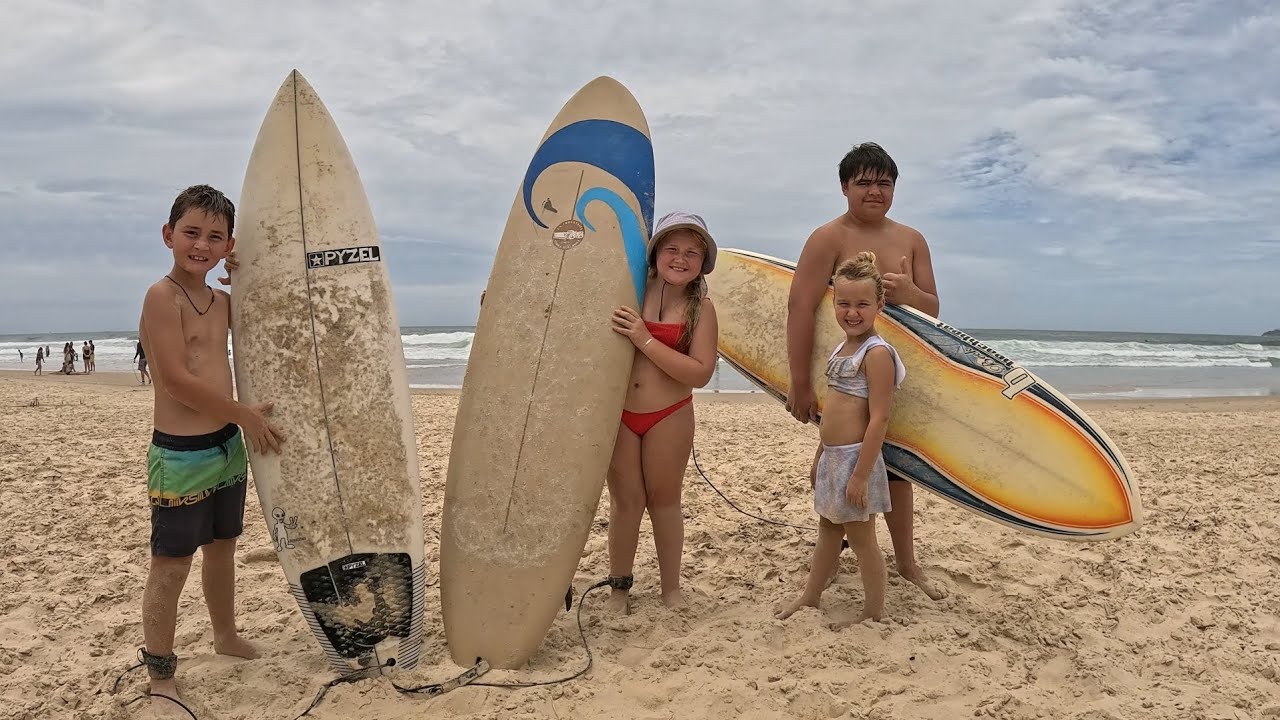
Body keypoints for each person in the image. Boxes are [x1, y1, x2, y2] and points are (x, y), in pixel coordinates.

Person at [136, 184, 285, 713]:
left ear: (227, 245)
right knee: (171, 564)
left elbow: (270, 322)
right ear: (168, 235)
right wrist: (243, 414)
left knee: (223, 551)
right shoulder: (163, 297)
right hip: (180, 454)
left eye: (215, 237)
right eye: (192, 233)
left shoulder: (222, 300)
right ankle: (160, 672)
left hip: (225, 447)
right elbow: (175, 380)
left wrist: (247, 271)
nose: (201, 244)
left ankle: (226, 636)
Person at [785, 142, 945, 600]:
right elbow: (799, 306)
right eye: (864, 182)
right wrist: (799, 382)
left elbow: (934, 311)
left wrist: (910, 291)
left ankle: (907, 562)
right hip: (844, 376)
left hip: (897, 372)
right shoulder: (827, 238)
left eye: (884, 183)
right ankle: (833, 561)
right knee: (840, 461)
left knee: (898, 469)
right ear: (844, 187)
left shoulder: (912, 239)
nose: (875, 191)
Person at [777, 253, 906, 625]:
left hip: (855, 461)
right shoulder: (841, 348)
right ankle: (810, 596)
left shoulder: (876, 353)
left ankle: (873, 613)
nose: (852, 312)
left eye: (862, 304)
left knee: (863, 540)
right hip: (834, 458)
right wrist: (820, 454)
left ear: (879, 305)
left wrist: (861, 475)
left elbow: (879, 418)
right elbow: (831, 411)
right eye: (844, 303)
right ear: (833, 302)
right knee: (828, 531)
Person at [604, 211, 720, 613]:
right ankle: (619, 588)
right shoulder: (628, 289)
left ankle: (671, 588)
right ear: (655, 253)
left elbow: (701, 373)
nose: (680, 258)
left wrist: (644, 338)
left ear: (703, 261)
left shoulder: (700, 308)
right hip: (618, 414)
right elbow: (568, 309)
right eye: (672, 248)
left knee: (665, 500)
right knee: (625, 501)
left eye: (692, 252)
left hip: (668, 412)